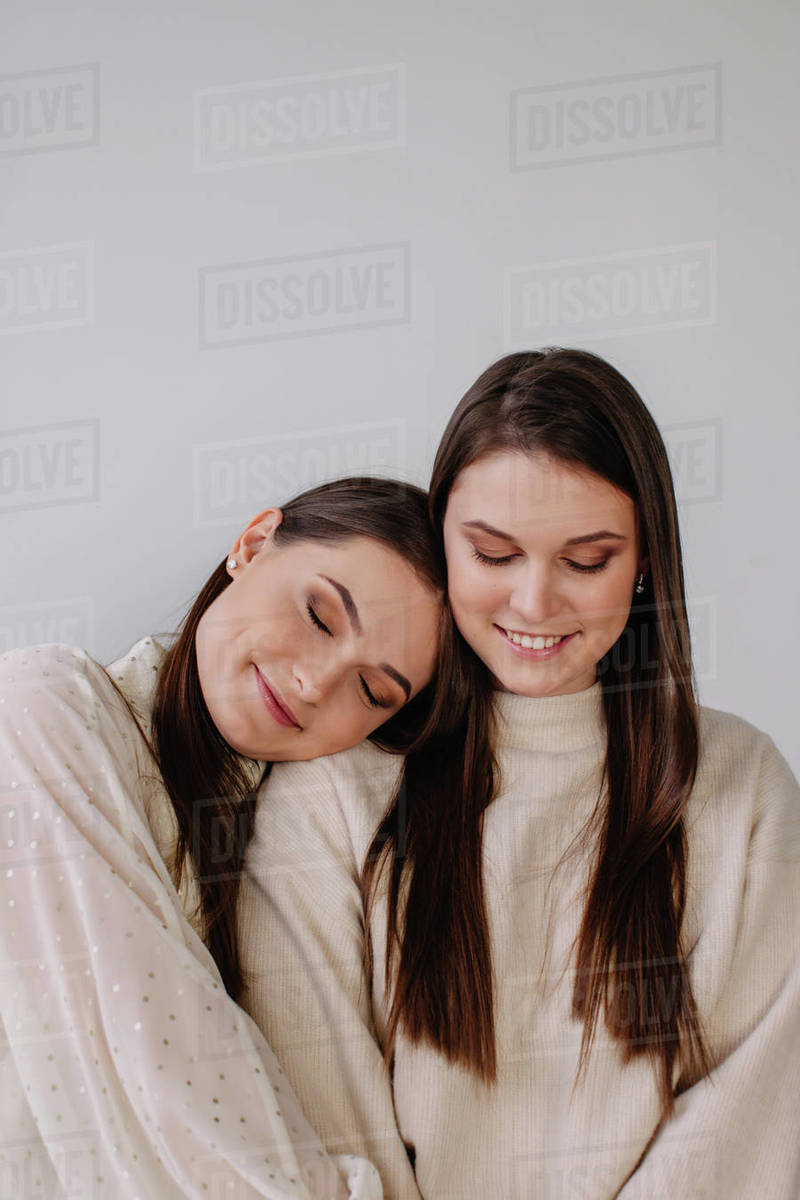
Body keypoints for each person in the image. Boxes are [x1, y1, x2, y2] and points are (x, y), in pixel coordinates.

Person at [238, 350, 800, 1200]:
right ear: (442, 543)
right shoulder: (335, 786)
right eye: (494, 555)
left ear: (646, 557)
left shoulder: (744, 788)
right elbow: (318, 1125)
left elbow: (754, 1117)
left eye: (587, 561)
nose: (535, 605)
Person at [0, 476, 444, 1200]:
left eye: (372, 692)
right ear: (252, 543)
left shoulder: (290, 853)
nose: (314, 681)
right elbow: (167, 1075)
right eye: (321, 616)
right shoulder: (43, 706)